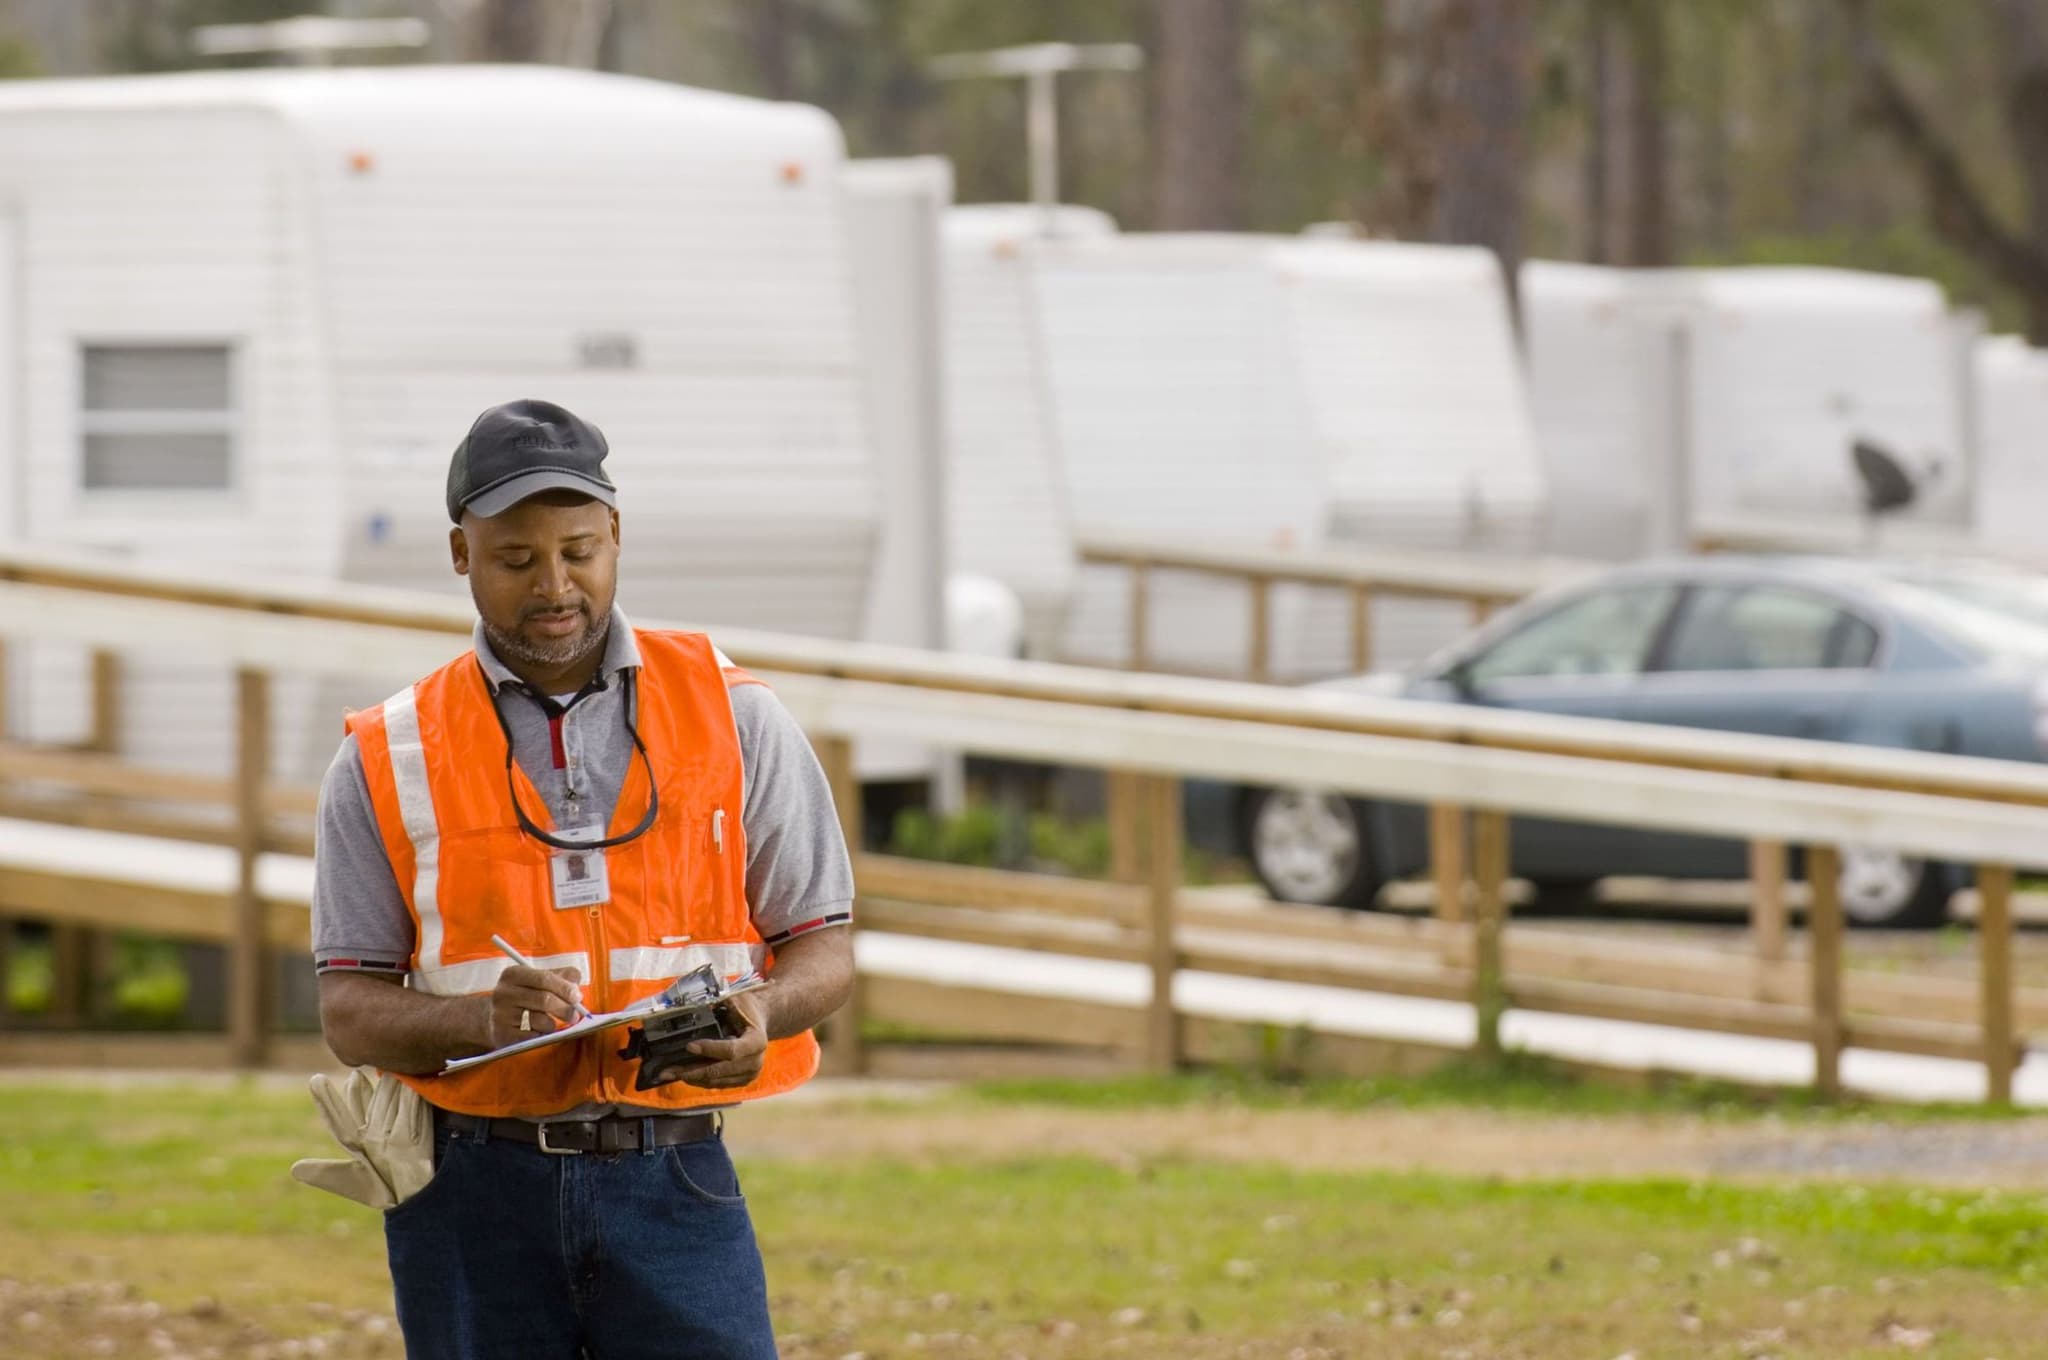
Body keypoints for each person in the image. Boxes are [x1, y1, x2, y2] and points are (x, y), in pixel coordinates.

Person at [310, 398, 856, 1359]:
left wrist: (765, 1017)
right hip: (471, 1192)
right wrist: (476, 1021)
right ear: (460, 554)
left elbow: (825, 947)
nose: (556, 585)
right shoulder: (384, 754)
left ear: (616, 538)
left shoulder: (740, 718)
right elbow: (349, 1011)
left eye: (579, 551)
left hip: (677, 1181)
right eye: (517, 560)